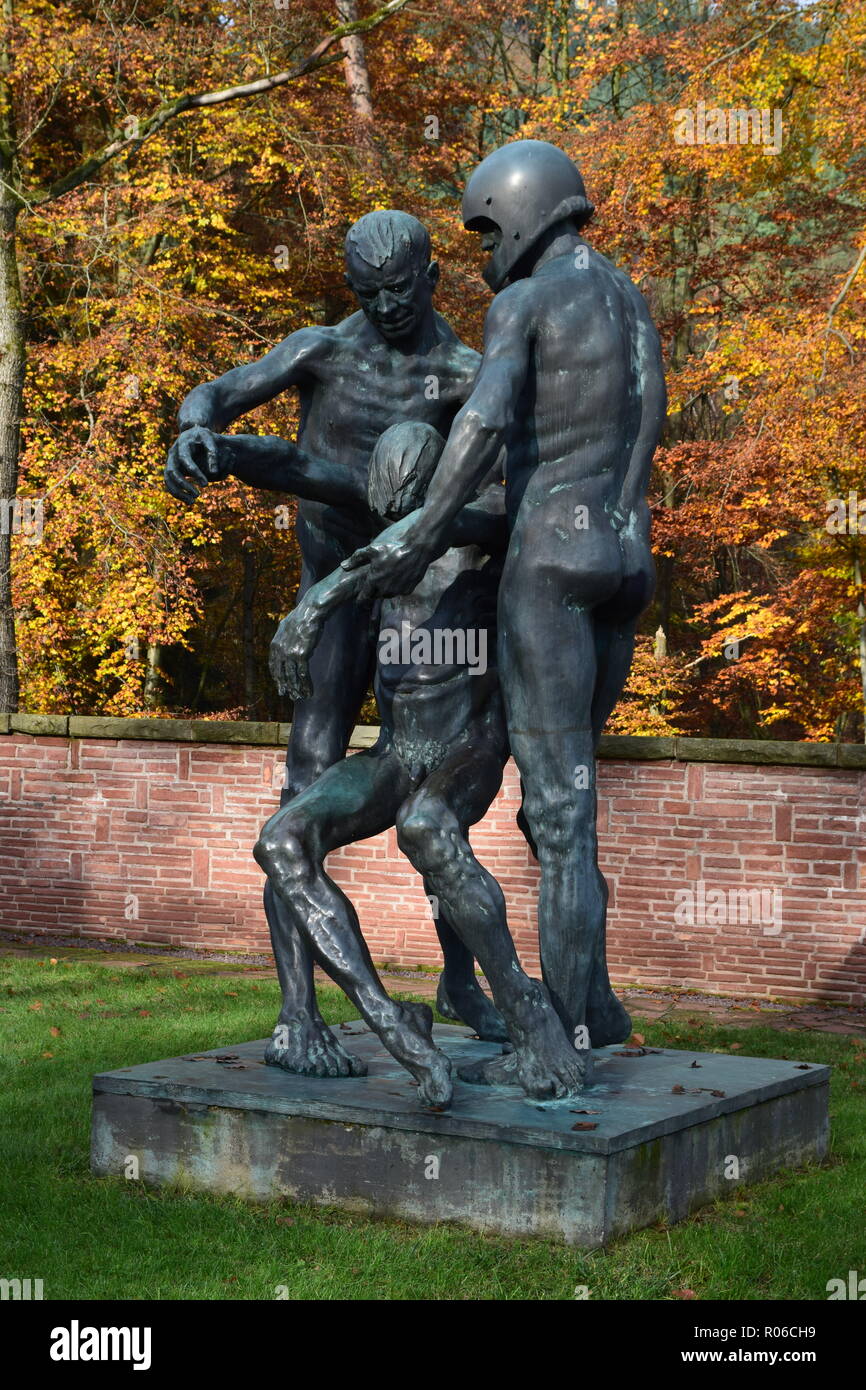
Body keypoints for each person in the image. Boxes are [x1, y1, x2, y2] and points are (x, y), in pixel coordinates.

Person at [163, 210, 504, 1076]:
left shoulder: (467, 373)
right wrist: (193, 432)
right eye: (368, 291)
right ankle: (295, 1016)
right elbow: (217, 394)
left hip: (419, 591)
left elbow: (502, 492)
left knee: (432, 787)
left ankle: (462, 980)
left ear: (432, 278)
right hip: (330, 592)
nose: (387, 306)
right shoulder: (322, 350)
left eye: (401, 288)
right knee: (306, 782)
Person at [344, 142, 667, 1047]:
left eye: (487, 227)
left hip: (552, 563)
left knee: (559, 813)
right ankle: (596, 1004)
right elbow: (645, 424)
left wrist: (423, 523)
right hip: (626, 560)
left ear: (523, 209)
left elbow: (484, 421)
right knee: (567, 797)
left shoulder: (523, 303)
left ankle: (558, 1039)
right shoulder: (629, 303)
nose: (485, 247)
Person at [255, 421, 585, 1107]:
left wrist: (320, 601)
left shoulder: (487, 527)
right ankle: (395, 1027)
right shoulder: (376, 561)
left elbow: (509, 525)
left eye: (410, 502)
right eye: (386, 505)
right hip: (395, 749)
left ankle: (534, 1026)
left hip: (467, 744)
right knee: (282, 839)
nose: (395, 520)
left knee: (427, 828)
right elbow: (296, 468)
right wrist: (311, 610)